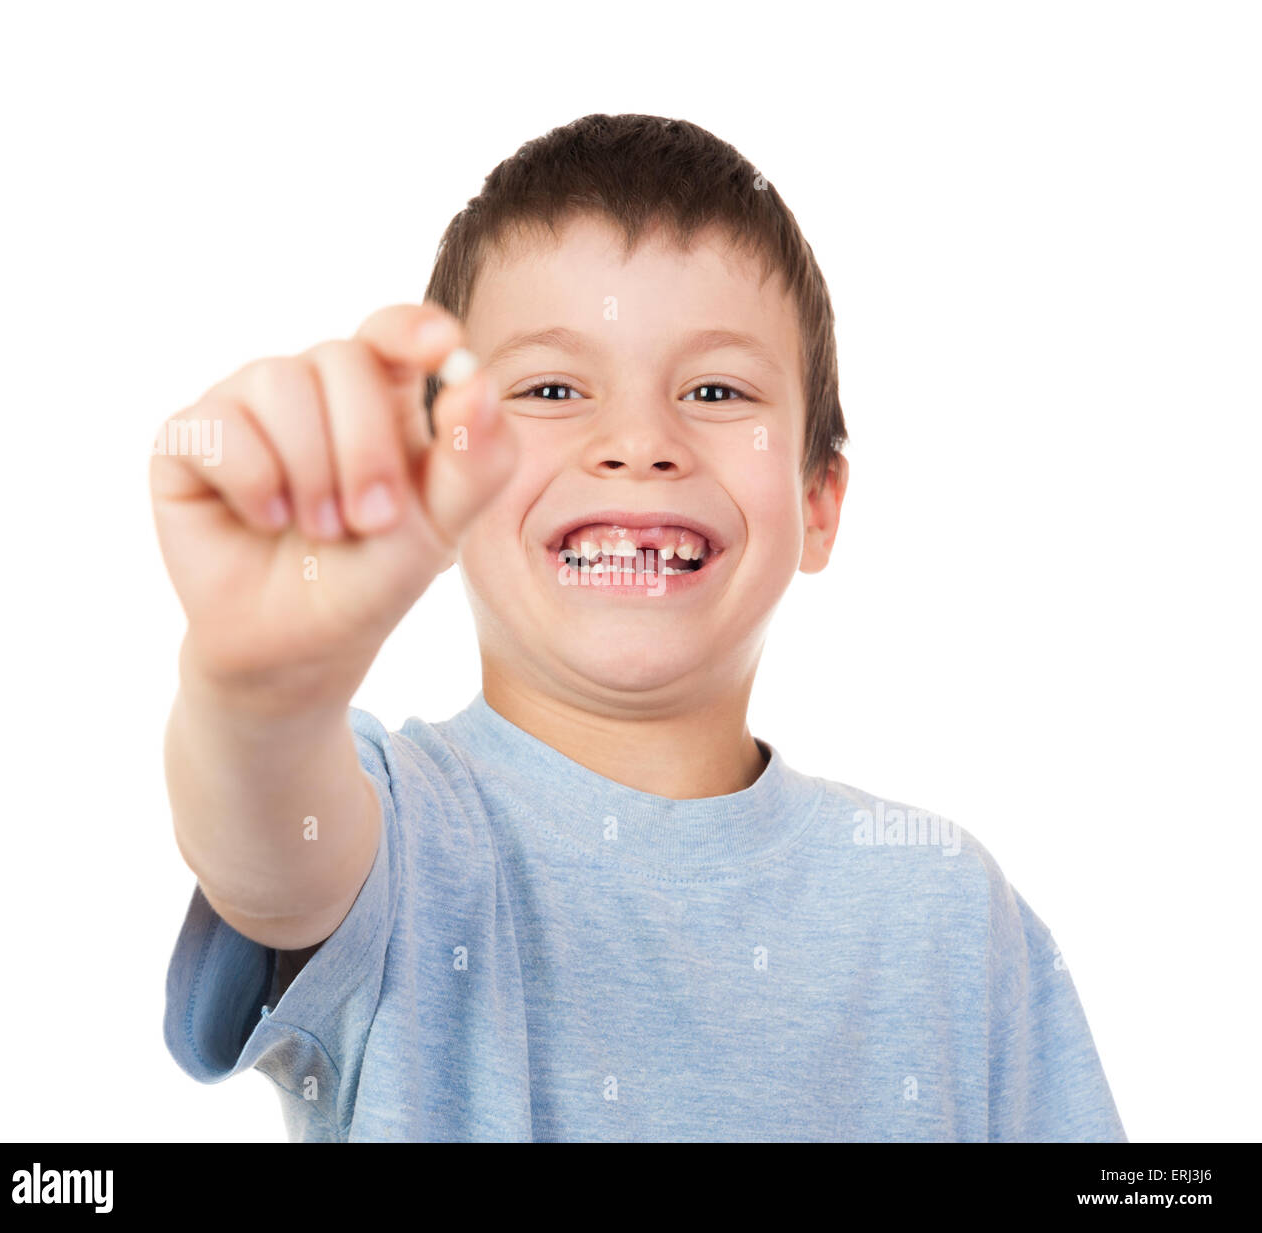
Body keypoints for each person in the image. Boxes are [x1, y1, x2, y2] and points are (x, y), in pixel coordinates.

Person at [152, 113, 1125, 1142]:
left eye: (714, 390)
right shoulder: (392, 839)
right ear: (443, 475)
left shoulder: (949, 912)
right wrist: (258, 694)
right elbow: (266, 845)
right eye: (552, 388)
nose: (636, 442)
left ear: (820, 500)